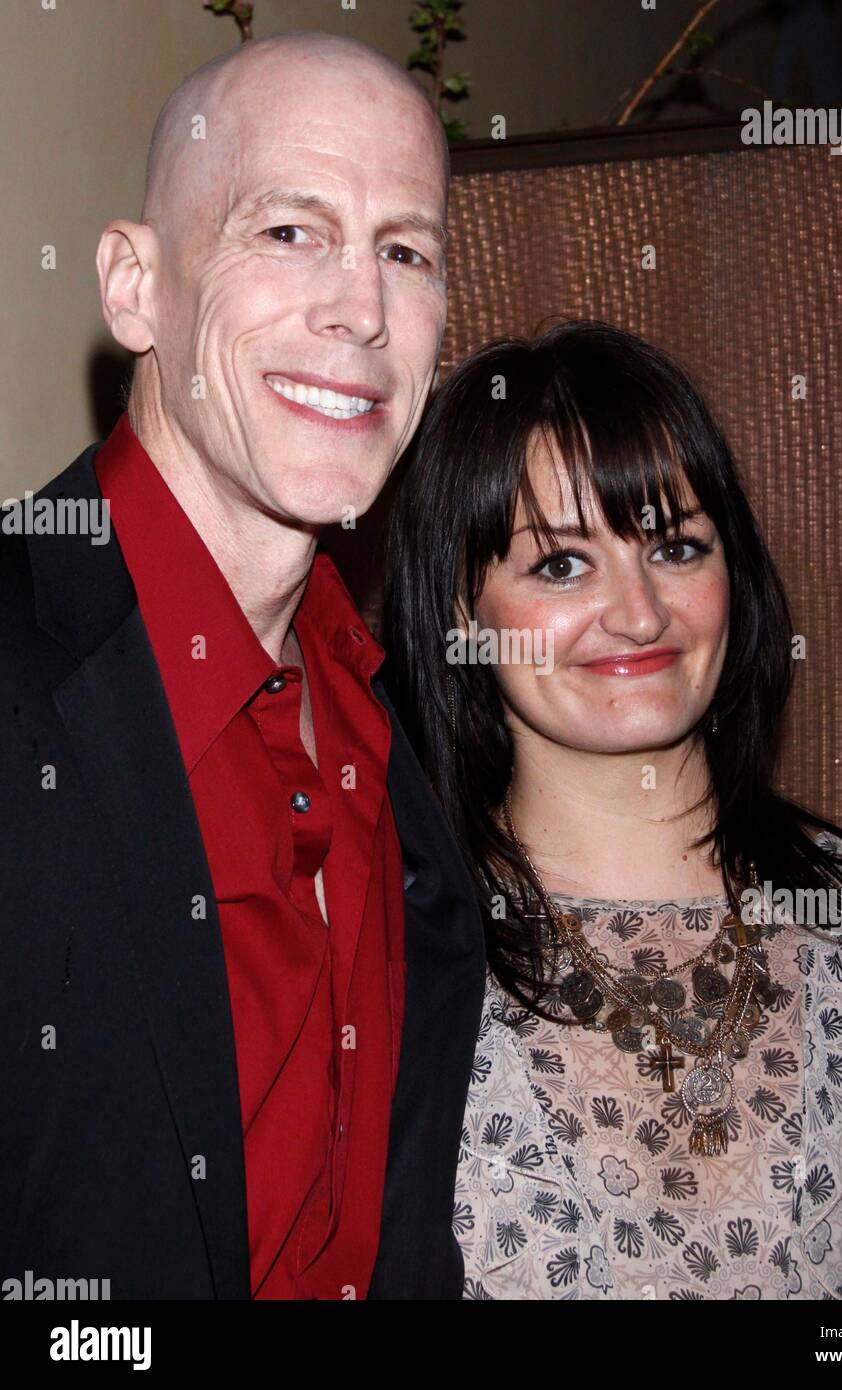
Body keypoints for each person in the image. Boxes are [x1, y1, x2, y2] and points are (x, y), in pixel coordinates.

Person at [0, 32, 484, 1300]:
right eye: (288, 231)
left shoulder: (395, 703)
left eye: (405, 251)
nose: (361, 309)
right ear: (133, 285)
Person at [383, 319, 842, 1299]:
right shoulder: (382, 975)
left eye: (674, 545)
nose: (638, 611)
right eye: (560, 564)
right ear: (462, 611)